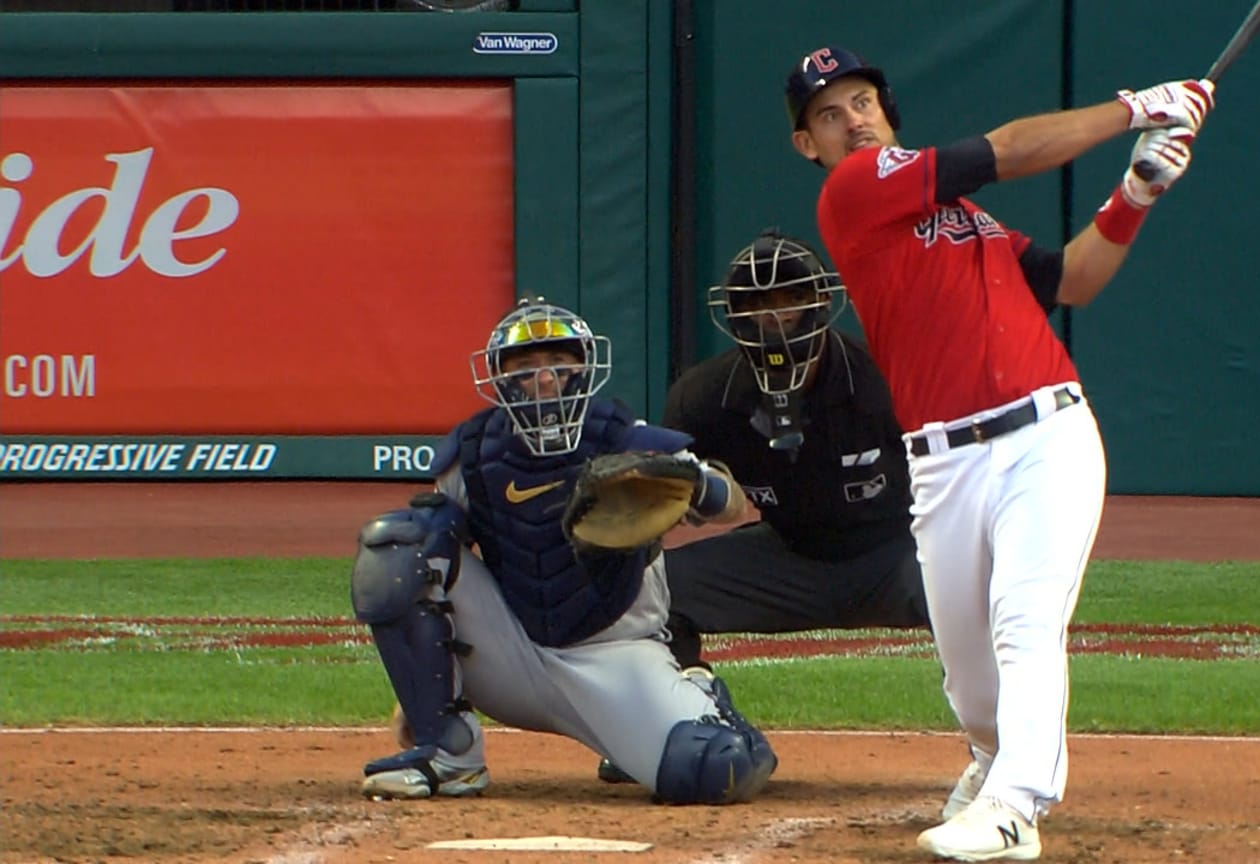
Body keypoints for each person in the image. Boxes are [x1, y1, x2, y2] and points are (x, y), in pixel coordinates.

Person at [781, 46, 1213, 860]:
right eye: (829, 115)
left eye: (863, 101)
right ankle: (992, 761)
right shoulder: (855, 189)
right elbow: (1008, 151)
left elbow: (1070, 282)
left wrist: (1135, 194)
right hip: (942, 463)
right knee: (974, 687)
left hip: (1045, 435)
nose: (852, 121)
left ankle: (1016, 803)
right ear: (810, 146)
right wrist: (1136, 108)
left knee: (1026, 619)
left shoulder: (962, 219)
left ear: (887, 109)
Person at [348, 297, 778, 805]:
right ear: (499, 379)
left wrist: (698, 483)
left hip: (619, 654)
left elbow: (731, 506)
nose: (544, 378)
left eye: (558, 363)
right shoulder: (473, 455)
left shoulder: (626, 440)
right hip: (516, 651)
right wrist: (421, 696)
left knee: (715, 767)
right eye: (525, 366)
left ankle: (697, 696)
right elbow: (433, 566)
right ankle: (448, 753)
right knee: (399, 544)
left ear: (583, 369)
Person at [594, 227, 930, 785]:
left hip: (896, 556)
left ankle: (997, 748)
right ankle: (664, 727)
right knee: (649, 587)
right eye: (756, 303)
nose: (774, 317)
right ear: (735, 314)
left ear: (820, 304)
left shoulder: (883, 376)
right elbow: (675, 498)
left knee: (970, 580)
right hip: (786, 559)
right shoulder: (704, 396)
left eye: (789, 299)